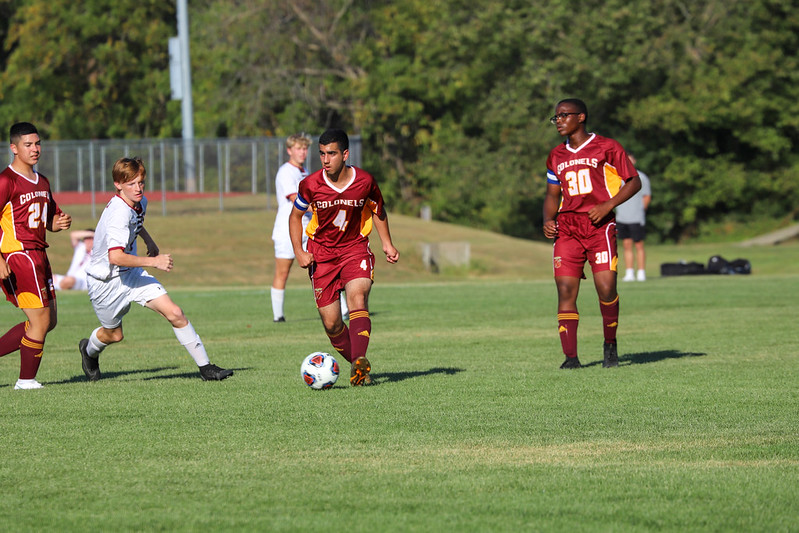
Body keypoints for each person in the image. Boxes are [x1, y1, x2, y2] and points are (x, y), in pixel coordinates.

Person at [78, 156, 233, 382]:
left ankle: (206, 367)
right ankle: (88, 350)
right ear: (118, 185)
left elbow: (136, 222)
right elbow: (116, 256)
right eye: (131, 184)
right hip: (106, 282)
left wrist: (148, 240)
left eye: (140, 182)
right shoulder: (117, 214)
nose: (138, 188)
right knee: (114, 334)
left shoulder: (140, 202)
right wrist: (155, 261)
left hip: (131, 274)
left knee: (175, 313)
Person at [289, 128, 399, 386]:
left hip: (355, 248)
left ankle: (359, 360)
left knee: (357, 297)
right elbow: (295, 217)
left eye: (332, 154)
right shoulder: (311, 184)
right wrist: (299, 251)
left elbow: (378, 211)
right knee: (332, 325)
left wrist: (387, 244)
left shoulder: (365, 182)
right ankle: (359, 368)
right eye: (322, 154)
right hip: (321, 255)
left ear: (345, 154)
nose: (325, 160)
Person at [543, 99, 641, 369]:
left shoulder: (607, 147)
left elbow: (634, 181)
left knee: (607, 288)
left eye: (564, 115)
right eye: (556, 117)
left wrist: (608, 205)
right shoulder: (555, 155)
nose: (559, 121)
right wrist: (547, 219)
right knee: (565, 290)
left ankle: (610, 343)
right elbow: (552, 194)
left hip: (599, 227)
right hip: (568, 230)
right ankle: (571, 358)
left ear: (581, 117)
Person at [0, 122, 72, 390]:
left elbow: (48, 219)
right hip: (19, 256)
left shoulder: (42, 181)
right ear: (14, 148)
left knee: (48, 321)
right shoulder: (6, 180)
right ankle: (26, 381)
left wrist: (59, 222)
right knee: (39, 321)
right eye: (28, 144)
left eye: (37, 143)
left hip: (40, 254)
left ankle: (26, 378)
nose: (35, 149)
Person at [270, 133, 350, 323]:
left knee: (329, 266)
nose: (302, 152)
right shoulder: (285, 172)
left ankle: (345, 310)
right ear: (289, 150)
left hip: (310, 229)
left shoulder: (305, 171)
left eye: (305, 148)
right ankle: (278, 316)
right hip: (288, 229)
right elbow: (295, 199)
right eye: (298, 148)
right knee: (283, 271)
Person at [616, 154, 652, 282]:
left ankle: (641, 272)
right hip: (622, 217)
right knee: (626, 245)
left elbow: (646, 196)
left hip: (636, 217)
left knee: (639, 245)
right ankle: (629, 272)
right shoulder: (617, 177)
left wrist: (640, 210)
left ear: (634, 160)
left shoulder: (641, 177)